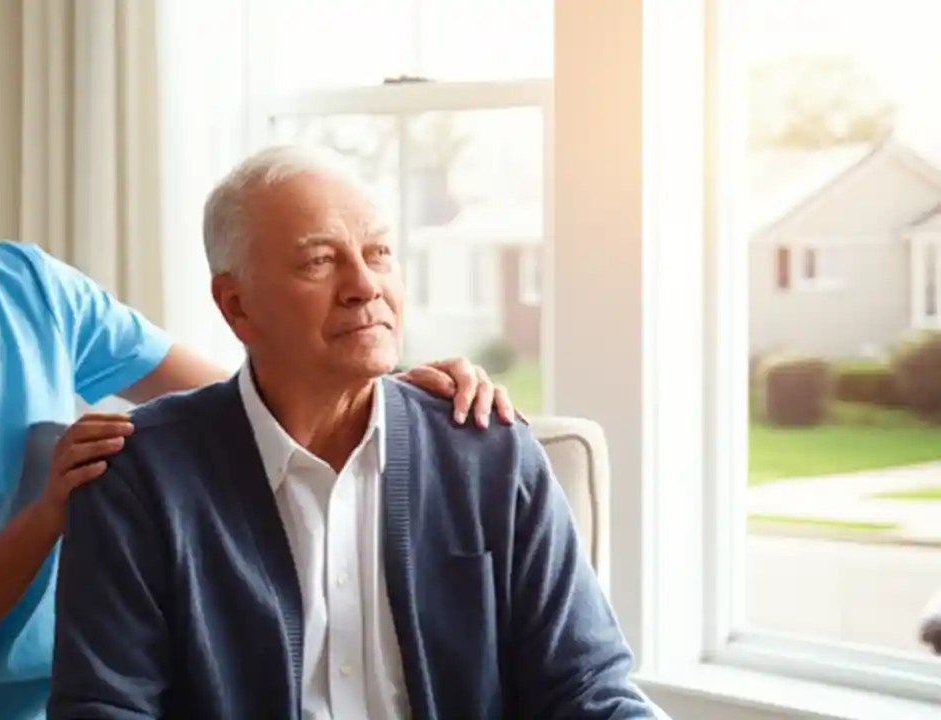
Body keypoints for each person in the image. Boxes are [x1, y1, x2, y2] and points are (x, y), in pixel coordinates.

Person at [0, 52, 519, 720]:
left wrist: (382, 383)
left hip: (85, 694)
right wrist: (48, 513)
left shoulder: (27, 287)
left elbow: (252, 400)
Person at [48, 145, 660, 719]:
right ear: (236, 305)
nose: (364, 287)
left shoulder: (488, 452)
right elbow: (104, 709)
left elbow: (588, 687)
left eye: (378, 254)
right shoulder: (139, 479)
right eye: (319, 261)